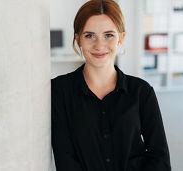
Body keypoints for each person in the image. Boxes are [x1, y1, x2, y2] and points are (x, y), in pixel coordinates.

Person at [51, 0, 171, 171]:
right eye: (89, 35)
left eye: (108, 35)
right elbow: (65, 159)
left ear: (121, 38)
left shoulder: (142, 92)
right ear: (78, 38)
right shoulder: (59, 91)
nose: (99, 46)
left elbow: (159, 158)